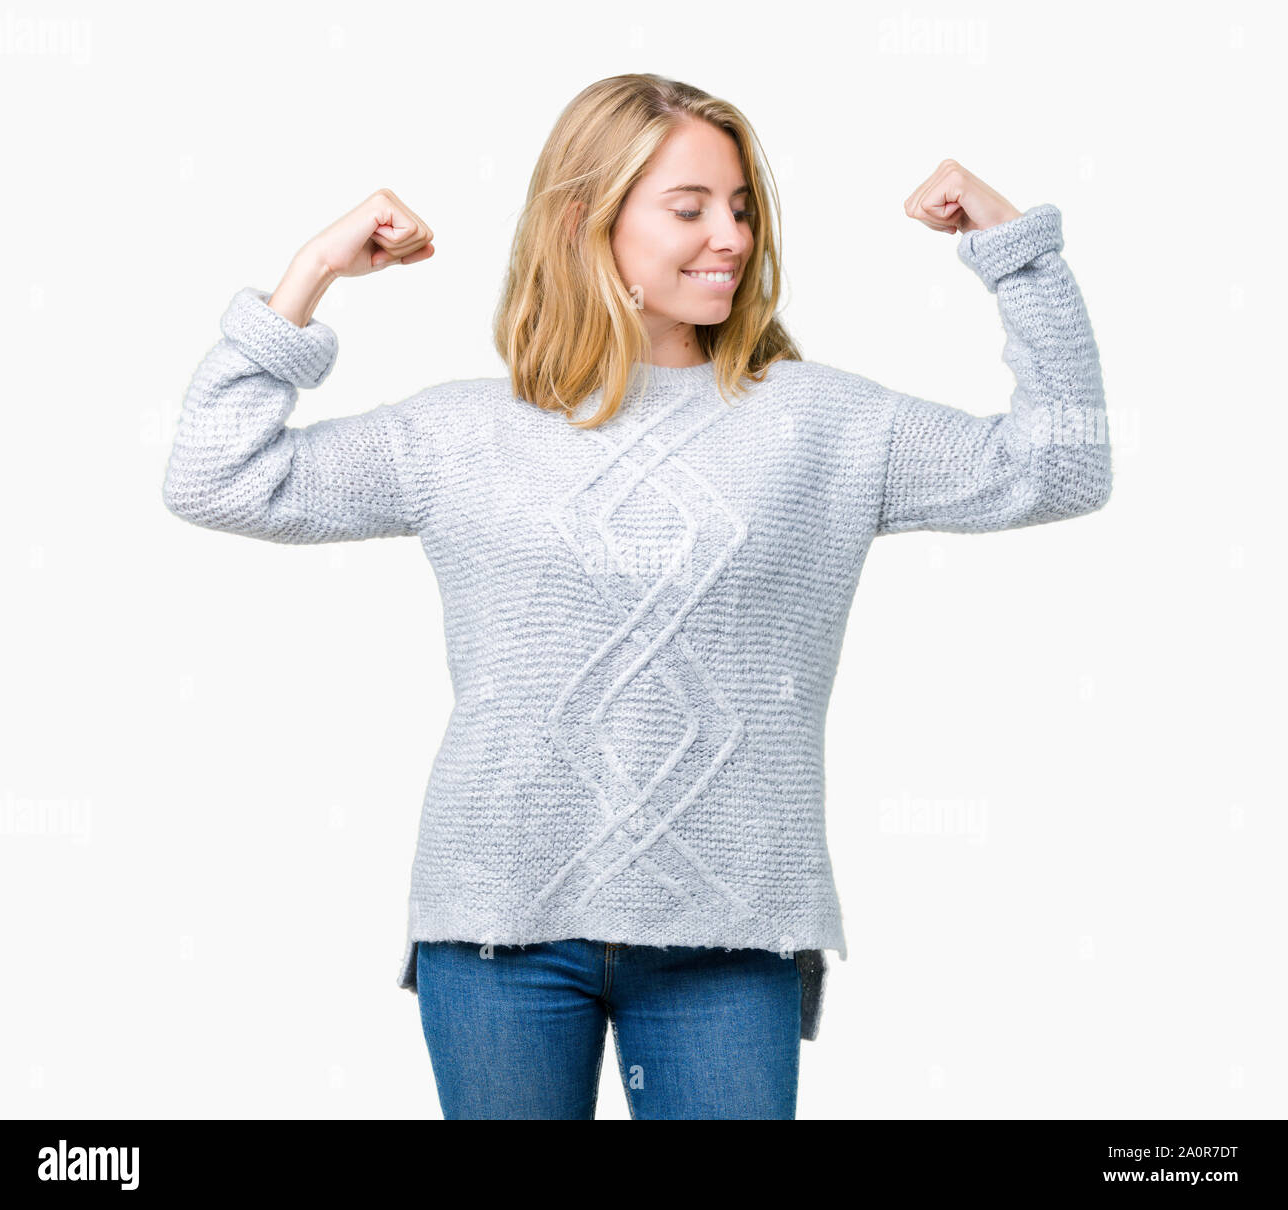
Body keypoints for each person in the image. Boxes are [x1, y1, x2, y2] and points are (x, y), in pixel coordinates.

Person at [161, 73, 1111, 1119]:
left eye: (742, 207)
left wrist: (1017, 253)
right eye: (691, 206)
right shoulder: (459, 433)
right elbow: (217, 477)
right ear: (587, 221)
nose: (732, 237)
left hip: (729, 932)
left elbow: (1056, 470)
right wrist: (311, 274)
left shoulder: (825, 425)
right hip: (496, 928)